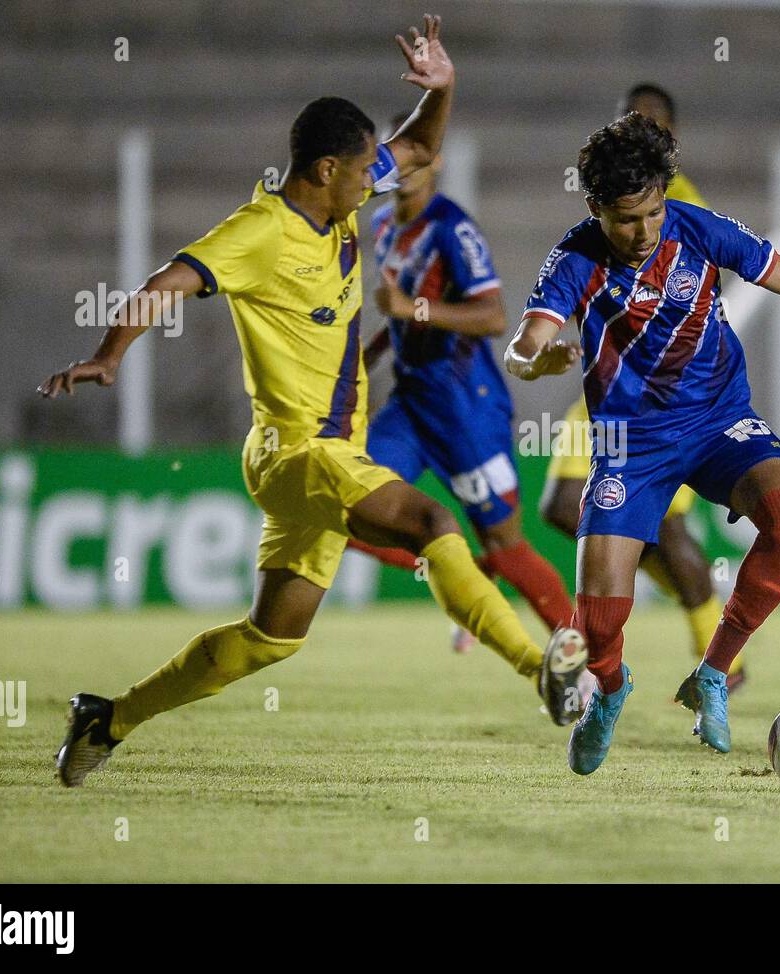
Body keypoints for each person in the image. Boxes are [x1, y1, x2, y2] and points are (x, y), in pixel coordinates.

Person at [40, 17, 587, 788]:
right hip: (300, 452)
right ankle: (544, 671)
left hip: (329, 456)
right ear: (326, 168)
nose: (376, 183)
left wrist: (445, 88)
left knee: (271, 638)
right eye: (365, 172)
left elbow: (423, 149)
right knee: (432, 521)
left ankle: (108, 719)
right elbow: (170, 281)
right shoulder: (262, 230)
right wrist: (109, 354)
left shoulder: (341, 204)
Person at [505, 112, 780, 775]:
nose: (643, 231)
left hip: (718, 421)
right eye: (626, 219)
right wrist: (539, 362)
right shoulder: (576, 256)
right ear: (595, 208)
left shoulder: (697, 230)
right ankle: (612, 691)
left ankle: (712, 671)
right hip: (629, 444)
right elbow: (525, 344)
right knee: (597, 622)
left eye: (652, 212)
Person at [351, 112, 576, 671]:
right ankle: (470, 578)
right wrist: (368, 355)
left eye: (413, 157)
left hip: (466, 408)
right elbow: (397, 317)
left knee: (507, 544)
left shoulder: (454, 228)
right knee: (346, 509)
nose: (401, 169)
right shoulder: (381, 225)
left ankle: (590, 664)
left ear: (435, 161)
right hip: (410, 405)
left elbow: (495, 316)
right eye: (389, 158)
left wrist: (415, 308)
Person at [539, 83, 744, 689]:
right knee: (558, 505)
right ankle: (625, 585)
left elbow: (704, 287)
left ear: (670, 140)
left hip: (663, 399)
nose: (636, 132)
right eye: (628, 121)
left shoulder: (680, 205)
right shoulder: (610, 194)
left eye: (649, 125)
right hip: (605, 387)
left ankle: (711, 644)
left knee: (669, 527)